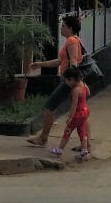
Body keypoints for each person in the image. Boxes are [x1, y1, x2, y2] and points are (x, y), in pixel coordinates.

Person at [26, 15, 84, 147]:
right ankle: (85, 145)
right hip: (70, 80)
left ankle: (43, 137)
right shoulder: (73, 40)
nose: (61, 28)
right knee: (80, 112)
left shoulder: (71, 41)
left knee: (50, 106)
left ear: (70, 28)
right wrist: (40, 64)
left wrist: (71, 81)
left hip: (68, 81)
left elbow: (73, 61)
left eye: (63, 26)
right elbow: (60, 61)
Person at [49, 67, 91, 160]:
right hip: (85, 111)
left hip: (78, 113)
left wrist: (70, 117)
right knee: (82, 131)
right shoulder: (83, 84)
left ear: (71, 79)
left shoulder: (75, 90)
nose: (66, 83)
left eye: (66, 81)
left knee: (67, 130)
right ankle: (84, 151)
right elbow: (88, 93)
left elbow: (74, 105)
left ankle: (59, 150)